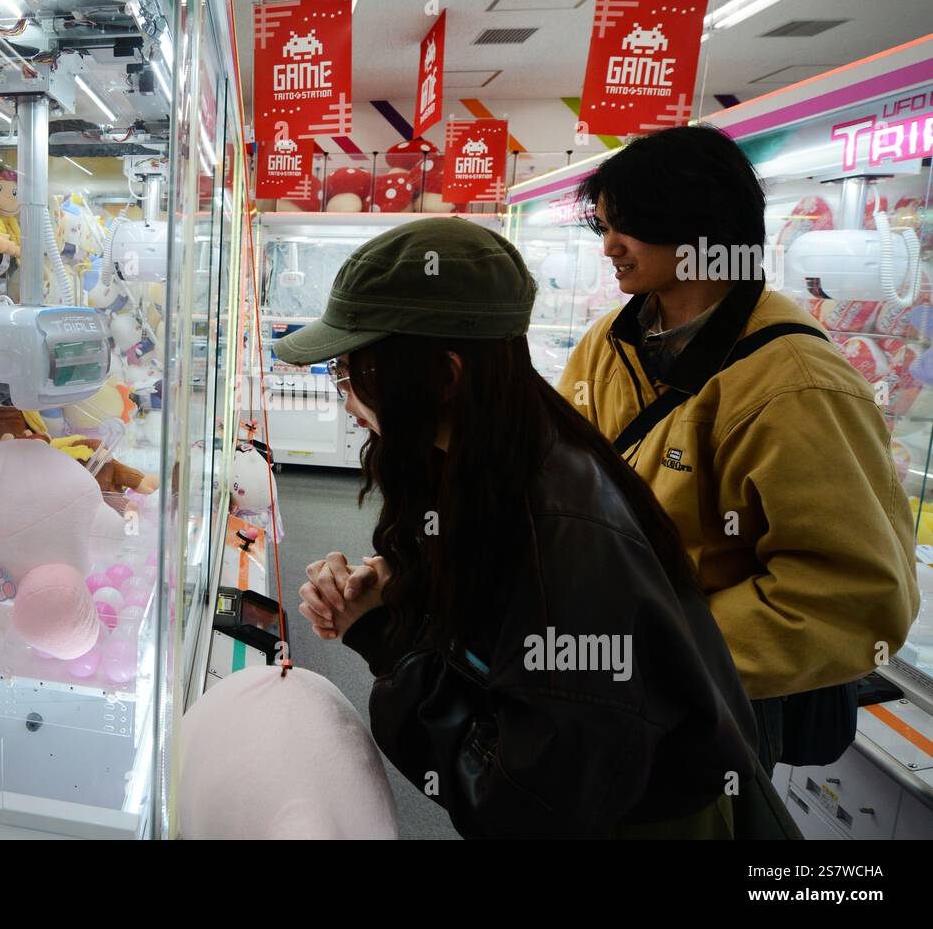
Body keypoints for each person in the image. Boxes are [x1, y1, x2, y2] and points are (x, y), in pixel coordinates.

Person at [279, 217, 796, 838]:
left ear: (445, 376)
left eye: (352, 372)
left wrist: (387, 638)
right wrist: (402, 584)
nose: (346, 397)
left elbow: (523, 803)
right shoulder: (501, 464)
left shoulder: (558, 532)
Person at [557, 125, 918, 771]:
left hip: (714, 700)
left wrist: (662, 652)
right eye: (604, 226)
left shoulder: (795, 384)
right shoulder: (608, 342)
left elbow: (851, 592)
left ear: (700, 229)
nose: (609, 245)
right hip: (609, 668)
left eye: (629, 226)